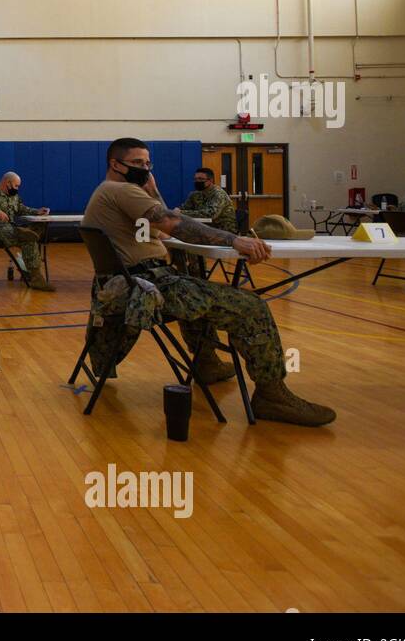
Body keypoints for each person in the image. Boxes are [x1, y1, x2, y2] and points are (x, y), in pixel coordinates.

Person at [80, 137, 335, 426]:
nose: (145, 169)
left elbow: (162, 229)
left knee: (194, 286)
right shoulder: (122, 190)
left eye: (148, 163)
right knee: (251, 305)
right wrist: (233, 239)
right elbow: (173, 224)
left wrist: (155, 192)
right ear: (115, 164)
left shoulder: (114, 191)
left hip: (136, 282)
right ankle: (271, 395)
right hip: (146, 285)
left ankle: (206, 362)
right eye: (138, 163)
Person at [0, 172, 55, 291]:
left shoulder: (13, 196)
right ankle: (36, 279)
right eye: (16, 186)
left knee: (32, 234)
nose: (17, 188)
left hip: (11, 229)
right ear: (8, 183)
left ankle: (31, 272)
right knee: (29, 239)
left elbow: (20, 208)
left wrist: (36, 211)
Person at [177, 167, 236, 233]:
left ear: (210, 180)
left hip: (224, 231)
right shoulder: (195, 194)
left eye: (201, 179)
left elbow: (211, 214)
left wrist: (181, 212)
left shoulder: (219, 194)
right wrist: (176, 211)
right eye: (195, 179)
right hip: (205, 228)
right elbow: (184, 208)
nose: (197, 181)